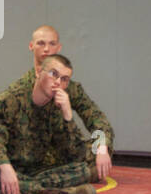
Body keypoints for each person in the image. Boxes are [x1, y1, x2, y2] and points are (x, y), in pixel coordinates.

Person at [0, 54, 98, 194]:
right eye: (53, 74)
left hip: (33, 170)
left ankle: (14, 193)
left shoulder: (57, 107)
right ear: (38, 72)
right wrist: (5, 166)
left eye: (64, 79)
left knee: (82, 170)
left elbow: (75, 155)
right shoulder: (11, 98)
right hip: (3, 166)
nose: (57, 83)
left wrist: (68, 116)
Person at [12, 25, 114, 180]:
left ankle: (59, 175)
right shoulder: (21, 88)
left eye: (52, 44)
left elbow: (97, 120)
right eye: (41, 43)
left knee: (102, 145)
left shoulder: (70, 88)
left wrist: (102, 148)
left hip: (62, 152)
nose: (46, 49)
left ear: (59, 48)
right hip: (31, 155)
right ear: (31, 46)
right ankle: (70, 176)